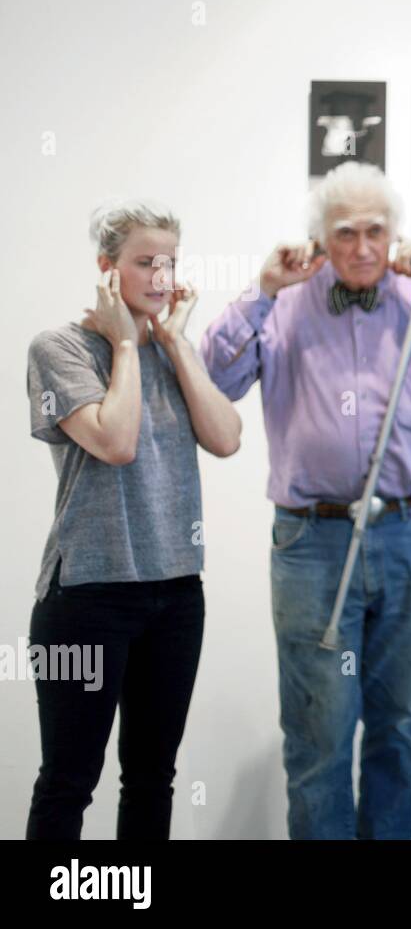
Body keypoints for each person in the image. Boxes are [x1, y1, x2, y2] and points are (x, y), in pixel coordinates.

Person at [199, 161, 411, 839]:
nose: (363, 247)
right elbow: (215, 378)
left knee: (396, 730)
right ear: (320, 239)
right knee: (318, 740)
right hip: (312, 544)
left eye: (375, 231)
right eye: (345, 233)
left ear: (394, 235)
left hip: (410, 537)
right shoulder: (285, 302)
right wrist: (262, 288)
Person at [26, 200, 241, 839]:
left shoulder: (175, 351)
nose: (161, 276)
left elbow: (227, 437)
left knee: (151, 777)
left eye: (170, 262)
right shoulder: (59, 348)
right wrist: (124, 341)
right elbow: (115, 441)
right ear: (106, 269)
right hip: (88, 593)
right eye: (145, 262)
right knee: (68, 779)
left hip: (176, 594)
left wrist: (173, 341)